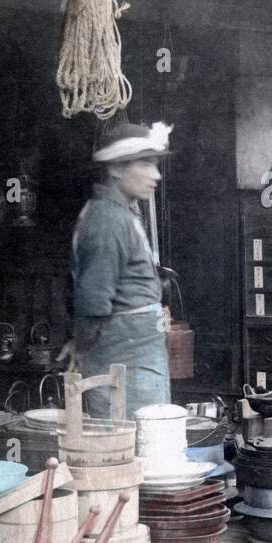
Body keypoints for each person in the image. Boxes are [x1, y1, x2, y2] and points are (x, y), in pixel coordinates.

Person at [67, 122, 174, 417]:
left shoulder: (122, 214)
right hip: (123, 359)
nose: (156, 174)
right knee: (127, 436)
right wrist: (81, 346)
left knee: (150, 432)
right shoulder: (106, 221)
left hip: (139, 357)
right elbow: (93, 303)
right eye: (146, 164)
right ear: (115, 168)